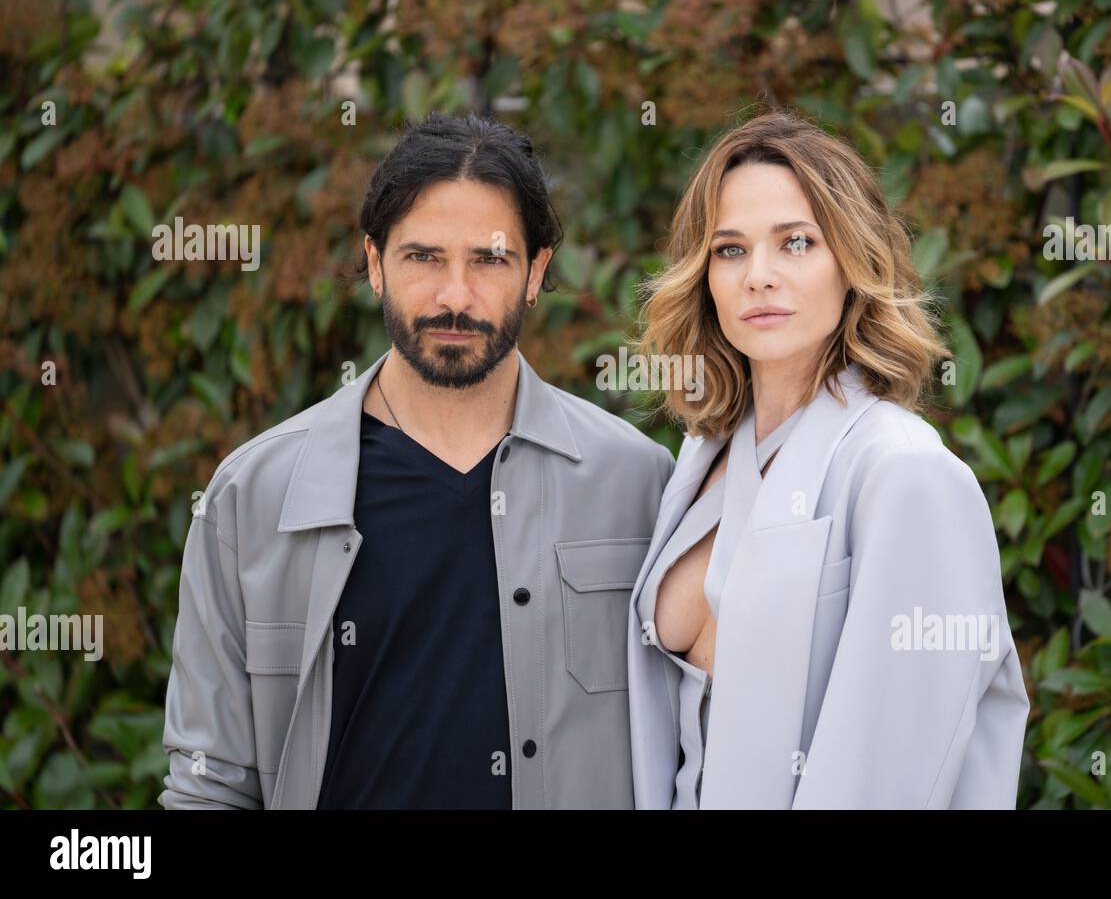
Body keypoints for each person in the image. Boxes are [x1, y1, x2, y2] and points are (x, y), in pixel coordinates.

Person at [159, 111, 672, 809]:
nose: (455, 296)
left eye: (489, 259)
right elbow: (209, 784)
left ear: (535, 272)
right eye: (423, 257)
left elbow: (687, 752)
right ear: (374, 263)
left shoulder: (637, 485)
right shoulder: (255, 497)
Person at [627, 109, 1030, 808]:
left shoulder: (905, 474)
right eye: (729, 249)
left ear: (852, 261)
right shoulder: (706, 453)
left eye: (796, 243)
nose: (759, 276)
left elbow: (889, 778)